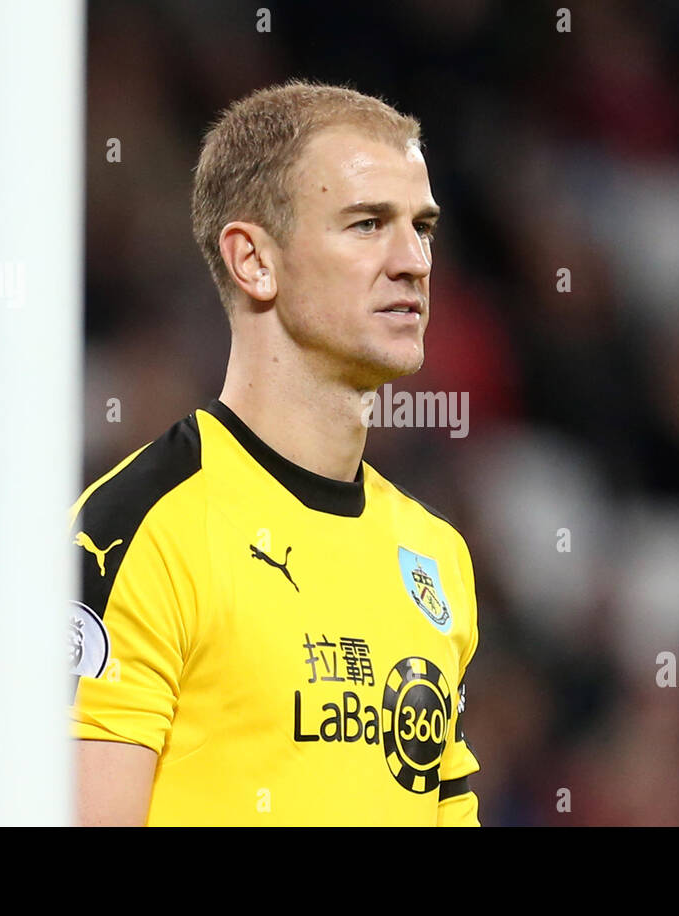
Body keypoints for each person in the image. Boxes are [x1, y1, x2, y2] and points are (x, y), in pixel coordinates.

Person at [67, 79, 482, 825]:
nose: (414, 261)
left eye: (422, 227)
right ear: (254, 260)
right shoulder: (135, 533)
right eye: (366, 224)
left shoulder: (437, 555)